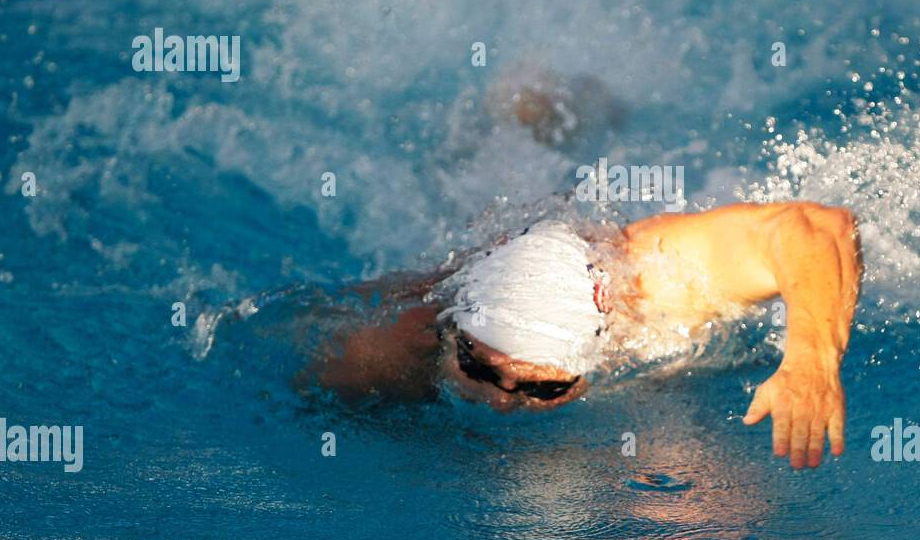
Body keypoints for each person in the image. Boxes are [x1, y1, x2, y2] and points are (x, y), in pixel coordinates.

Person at [308, 201, 862, 470]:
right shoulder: (401, 340)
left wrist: (812, 359)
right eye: (477, 368)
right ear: (451, 332)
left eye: (543, 390)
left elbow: (815, 226)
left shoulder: (661, 284)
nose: (500, 404)